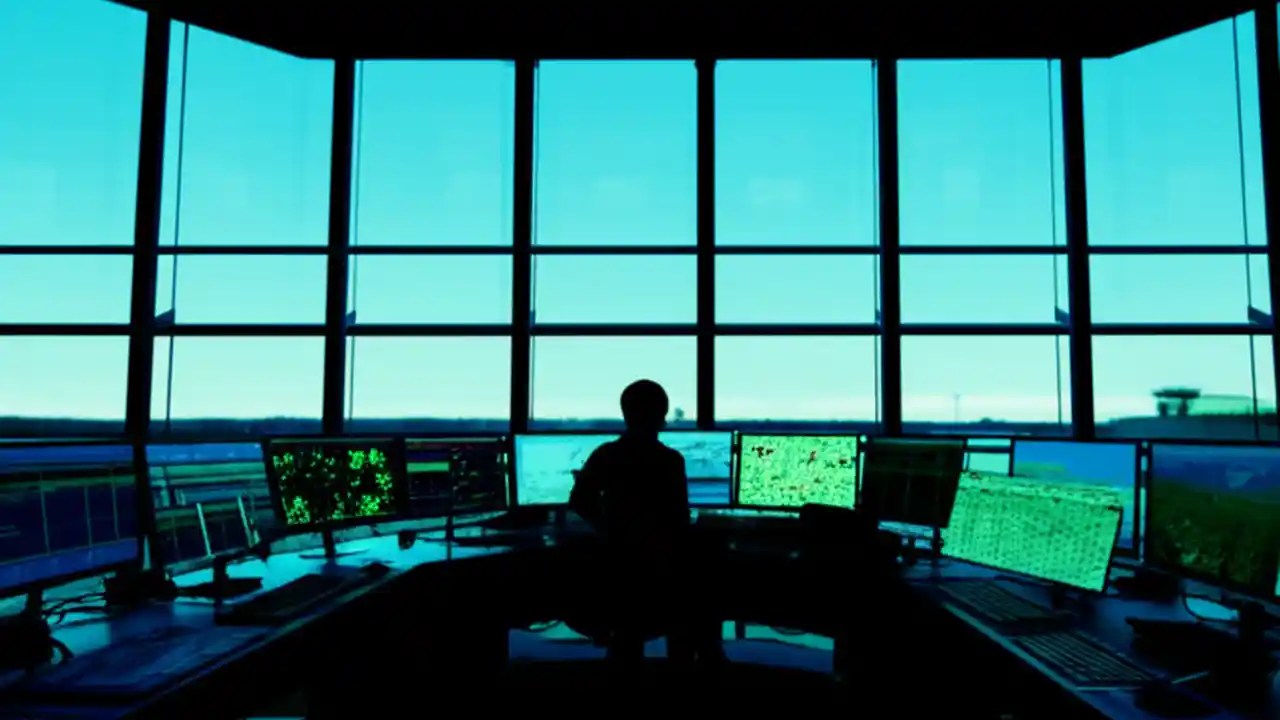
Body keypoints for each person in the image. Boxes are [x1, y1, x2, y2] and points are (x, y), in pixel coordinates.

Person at [569, 379, 725, 670]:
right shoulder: (670, 461)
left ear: (625, 414)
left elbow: (579, 500)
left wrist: (605, 528)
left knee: (626, 640)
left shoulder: (606, 455)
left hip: (620, 581)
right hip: (664, 578)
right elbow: (679, 523)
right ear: (662, 417)